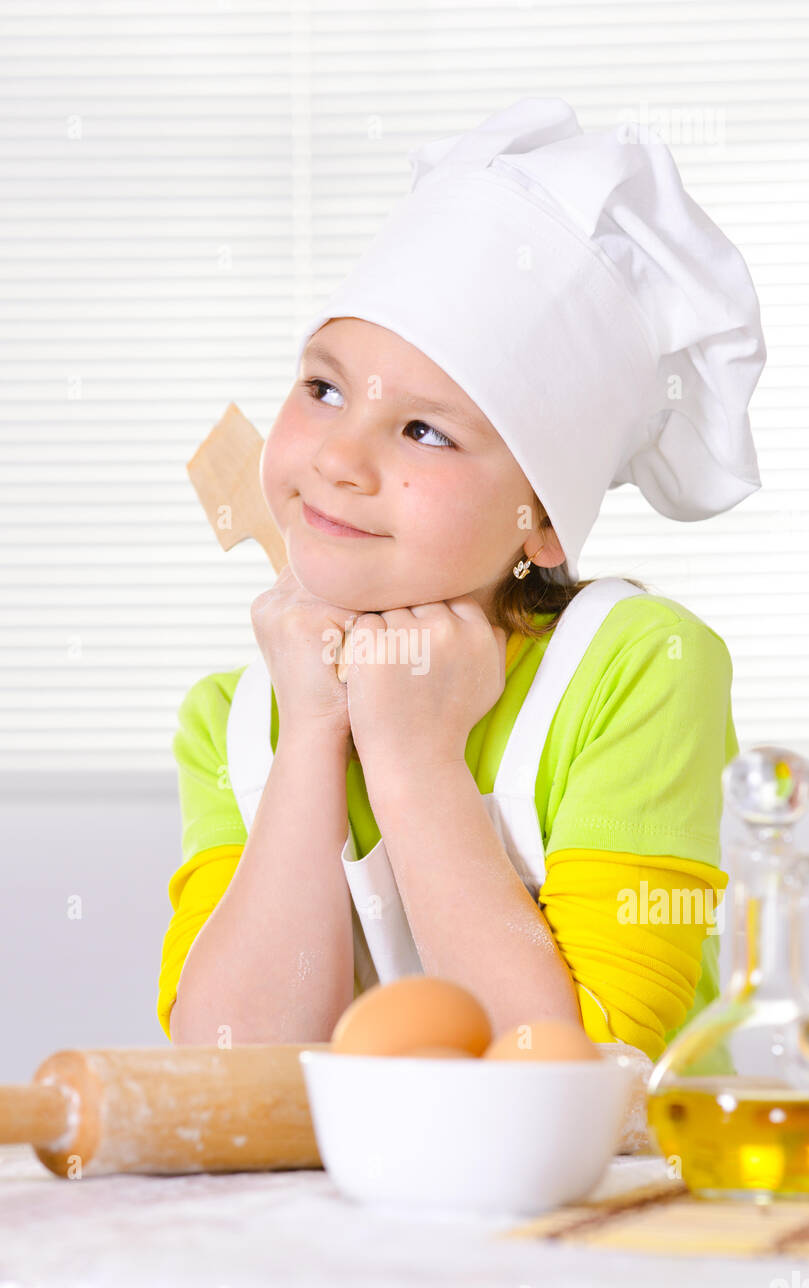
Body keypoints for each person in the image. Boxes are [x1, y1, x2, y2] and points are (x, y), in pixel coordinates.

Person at [156, 98, 765, 1086]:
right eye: (323, 388)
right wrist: (312, 732)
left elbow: (586, 1080)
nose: (340, 459)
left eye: (425, 431)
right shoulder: (235, 716)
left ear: (542, 517)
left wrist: (413, 758)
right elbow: (229, 1074)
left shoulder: (639, 667)